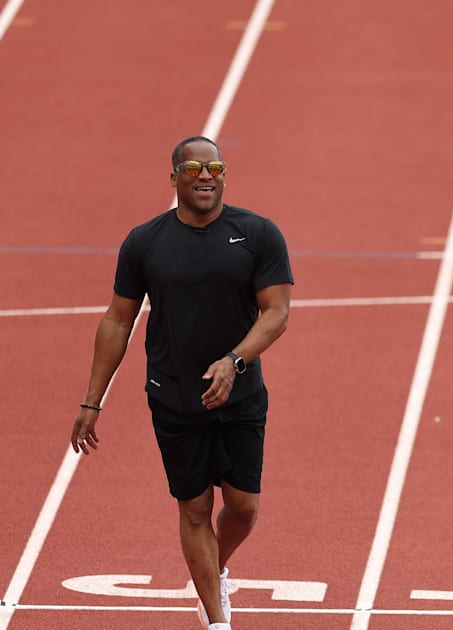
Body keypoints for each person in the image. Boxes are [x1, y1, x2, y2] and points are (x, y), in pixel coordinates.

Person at [69, 136, 293, 630]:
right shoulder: (144, 241)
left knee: (242, 509)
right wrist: (92, 399)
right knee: (193, 510)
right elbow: (117, 319)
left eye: (215, 166)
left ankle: (216, 568)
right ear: (174, 179)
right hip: (173, 396)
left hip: (241, 392)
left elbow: (276, 314)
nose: (206, 175)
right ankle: (216, 621)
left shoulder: (258, 233)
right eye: (193, 167)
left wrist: (233, 362)